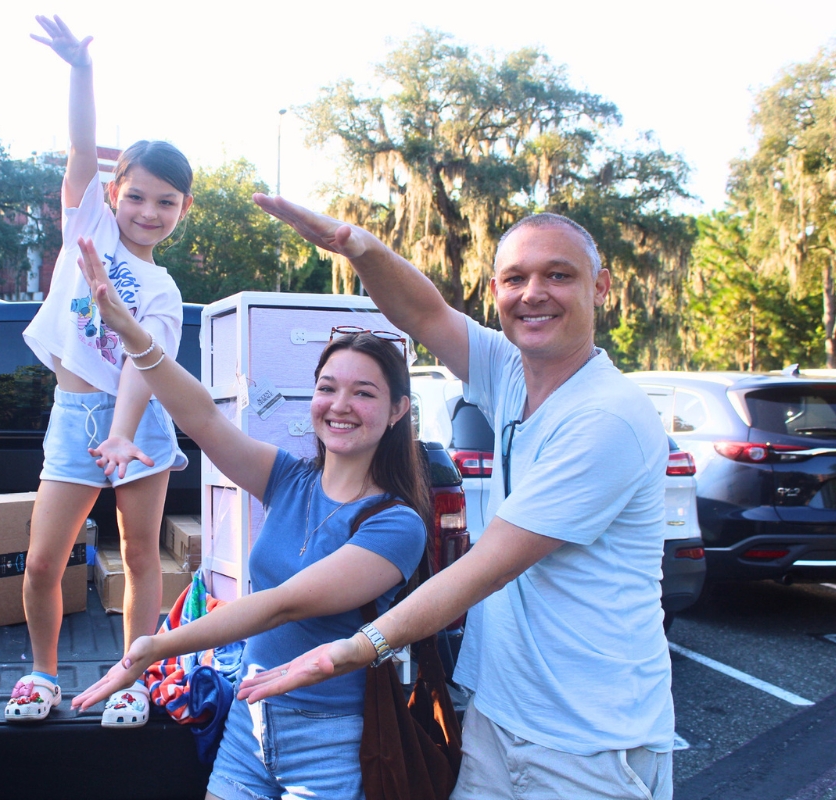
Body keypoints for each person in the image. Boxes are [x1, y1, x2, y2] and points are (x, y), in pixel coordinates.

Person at [240, 199, 675, 800]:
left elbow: (486, 566)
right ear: (495, 289)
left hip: (590, 739)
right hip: (500, 717)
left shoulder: (608, 418)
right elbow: (424, 312)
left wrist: (356, 650)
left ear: (600, 287)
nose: (534, 293)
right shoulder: (514, 373)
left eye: (559, 275)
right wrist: (358, 247)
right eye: (516, 279)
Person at [70, 238, 429, 800]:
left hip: (331, 741)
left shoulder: (396, 523)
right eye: (327, 388)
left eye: (364, 393)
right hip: (249, 719)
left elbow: (281, 603)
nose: (339, 405)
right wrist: (129, 329)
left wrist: (156, 646)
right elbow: (202, 418)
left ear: (397, 411)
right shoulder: (288, 477)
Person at [7, 15, 193, 726]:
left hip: (137, 420)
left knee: (140, 556)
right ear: (115, 193)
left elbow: (146, 368)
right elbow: (82, 144)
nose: (150, 211)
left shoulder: (163, 290)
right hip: (72, 414)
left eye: (167, 202)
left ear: (183, 210)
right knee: (40, 563)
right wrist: (80, 72)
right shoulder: (87, 224)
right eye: (138, 195)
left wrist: (123, 434)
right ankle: (43, 674)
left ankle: (131, 679)